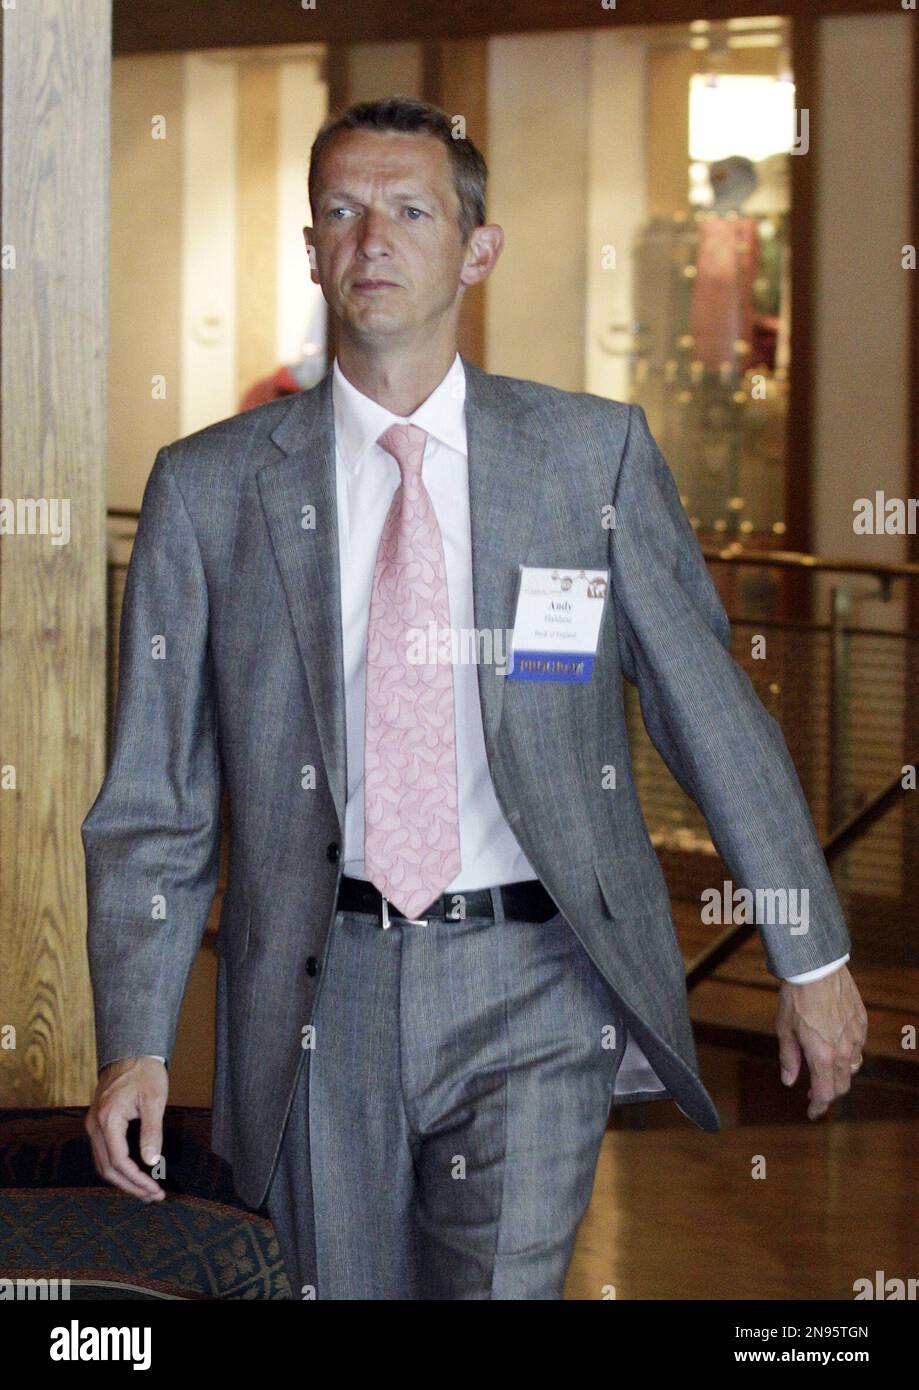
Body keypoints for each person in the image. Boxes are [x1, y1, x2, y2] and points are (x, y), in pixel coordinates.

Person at [82, 96, 868, 1301]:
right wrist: (134, 1039)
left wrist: (806, 949)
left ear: (479, 247)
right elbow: (157, 798)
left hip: (536, 984)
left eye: (408, 210)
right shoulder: (209, 490)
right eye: (339, 213)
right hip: (314, 993)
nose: (370, 242)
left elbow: (707, 711)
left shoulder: (586, 457)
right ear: (310, 247)